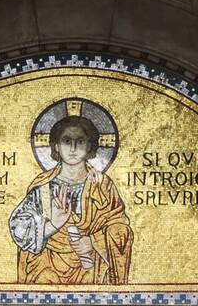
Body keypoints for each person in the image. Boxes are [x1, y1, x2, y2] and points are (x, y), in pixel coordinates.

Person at [9, 113, 133, 285]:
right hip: (46, 264)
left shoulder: (102, 186)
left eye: (80, 141)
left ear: (89, 146)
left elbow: (120, 229)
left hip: (90, 265)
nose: (73, 148)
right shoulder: (43, 186)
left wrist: (94, 242)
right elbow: (19, 228)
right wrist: (52, 226)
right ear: (57, 146)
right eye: (67, 141)